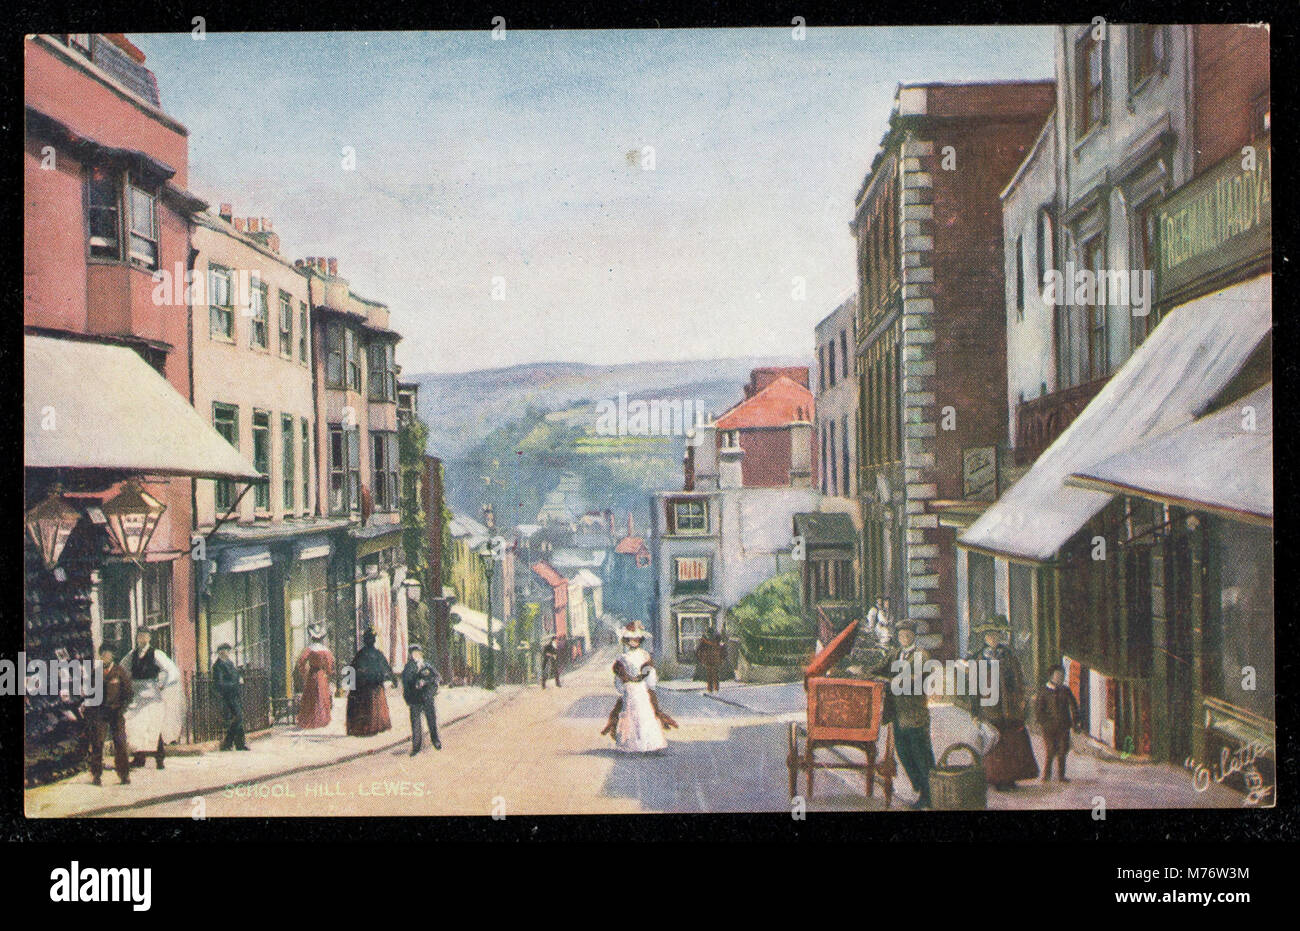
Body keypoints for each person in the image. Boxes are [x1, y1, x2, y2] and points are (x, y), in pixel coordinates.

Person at [973, 623, 1039, 790]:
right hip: (989, 706)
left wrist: (1021, 697)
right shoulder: (979, 658)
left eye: (995, 635)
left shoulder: (1008, 655)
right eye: (989, 636)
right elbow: (974, 687)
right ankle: (996, 779)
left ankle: (1010, 777)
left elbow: (1018, 677)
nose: (992, 639)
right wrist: (975, 712)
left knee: (1012, 741)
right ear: (985, 638)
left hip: (1010, 705)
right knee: (994, 740)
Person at [876, 621, 933, 809]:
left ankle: (928, 794)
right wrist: (861, 672)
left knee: (921, 755)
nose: (904, 638)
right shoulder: (895, 654)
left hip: (915, 714)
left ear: (913, 636)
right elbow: (879, 668)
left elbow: (912, 680)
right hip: (898, 715)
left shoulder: (921, 656)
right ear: (897, 636)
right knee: (903, 753)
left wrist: (887, 681)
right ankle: (920, 787)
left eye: (908, 634)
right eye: (901, 635)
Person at [600, 622, 677, 751]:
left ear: (640, 640)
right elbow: (619, 678)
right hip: (630, 689)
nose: (634, 642)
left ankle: (649, 743)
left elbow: (649, 673)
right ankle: (631, 744)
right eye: (631, 639)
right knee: (631, 713)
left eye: (636, 639)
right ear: (626, 641)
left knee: (644, 712)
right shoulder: (623, 658)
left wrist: (646, 681)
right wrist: (625, 682)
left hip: (641, 687)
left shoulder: (645, 655)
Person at [124, 628, 185, 770]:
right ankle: (139, 758)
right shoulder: (132, 654)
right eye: (140, 635)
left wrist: (162, 683)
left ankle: (159, 758)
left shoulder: (156, 654)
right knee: (135, 725)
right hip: (137, 692)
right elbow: (123, 668)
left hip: (151, 693)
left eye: (145, 636)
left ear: (149, 638)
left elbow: (170, 669)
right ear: (137, 637)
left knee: (153, 725)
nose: (142, 638)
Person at [85, 645, 133, 786]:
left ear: (112, 656)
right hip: (100, 712)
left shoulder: (119, 672)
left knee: (120, 743)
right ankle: (96, 775)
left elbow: (128, 693)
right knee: (98, 743)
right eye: (102, 654)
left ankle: (124, 774)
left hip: (116, 712)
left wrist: (122, 708)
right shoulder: (95, 673)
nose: (105, 657)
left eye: (107, 654)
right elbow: (90, 693)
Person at [1035, 664, 1083, 782]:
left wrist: (1076, 721)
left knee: (1062, 750)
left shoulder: (1065, 690)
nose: (1060, 678)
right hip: (1049, 727)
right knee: (1051, 750)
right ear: (1051, 676)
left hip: (1063, 725)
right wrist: (1043, 722)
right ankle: (1047, 775)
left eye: (1062, 675)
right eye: (1057, 675)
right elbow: (1038, 710)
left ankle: (1061, 776)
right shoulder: (1044, 691)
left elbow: (1073, 706)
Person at [346, 626, 394, 736]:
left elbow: (352, 670)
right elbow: (386, 669)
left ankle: (366, 727)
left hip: (364, 688)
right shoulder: (377, 654)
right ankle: (375, 726)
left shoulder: (360, 654)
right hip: (373, 687)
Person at [294, 624, 336, 729]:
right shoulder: (325, 650)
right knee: (321, 695)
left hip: (312, 674)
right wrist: (328, 672)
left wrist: (304, 672)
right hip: (321, 675)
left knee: (311, 696)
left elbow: (301, 662)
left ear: (312, 637)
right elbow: (330, 664)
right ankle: (322, 719)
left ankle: (311, 719)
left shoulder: (309, 649)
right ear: (321, 639)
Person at [402, 644, 442, 754]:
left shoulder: (427, 665)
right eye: (413, 653)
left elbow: (437, 677)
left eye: (418, 653)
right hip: (415, 699)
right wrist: (410, 694)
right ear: (410, 655)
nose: (416, 655)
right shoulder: (408, 668)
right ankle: (416, 745)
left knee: (431, 720)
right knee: (416, 723)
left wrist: (426, 682)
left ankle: (435, 740)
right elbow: (406, 683)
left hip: (427, 698)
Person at [212, 644, 249, 751]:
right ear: (220, 652)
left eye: (228, 651)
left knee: (239, 718)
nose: (228, 653)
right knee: (238, 718)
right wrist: (236, 683)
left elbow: (235, 675)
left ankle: (239, 744)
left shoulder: (230, 663)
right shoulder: (218, 666)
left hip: (235, 695)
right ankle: (228, 742)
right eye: (226, 651)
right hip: (227, 696)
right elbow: (219, 683)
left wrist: (239, 677)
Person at [694, 626, 726, 693]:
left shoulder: (704, 640)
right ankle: (716, 688)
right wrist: (722, 658)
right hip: (715, 658)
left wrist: (701, 659)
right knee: (715, 674)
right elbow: (723, 650)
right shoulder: (718, 640)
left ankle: (710, 689)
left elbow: (698, 650)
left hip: (708, 659)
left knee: (709, 674)